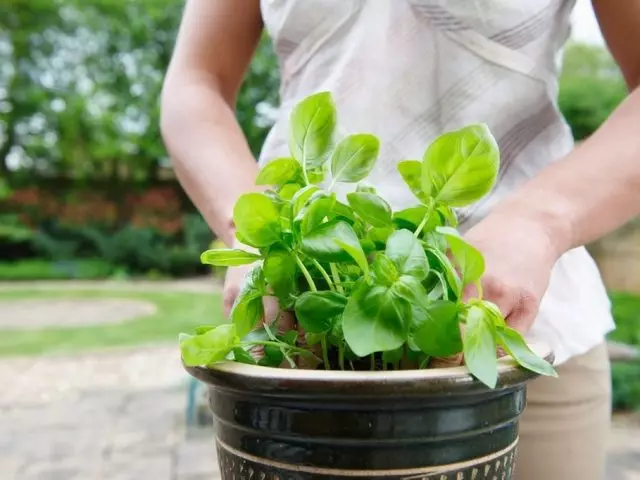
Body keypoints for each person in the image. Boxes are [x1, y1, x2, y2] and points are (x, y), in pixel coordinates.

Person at [160, 1, 640, 478]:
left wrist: (540, 220)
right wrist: (251, 226)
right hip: (297, 325)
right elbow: (196, 81)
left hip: (517, 330)